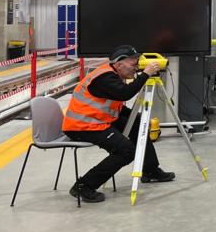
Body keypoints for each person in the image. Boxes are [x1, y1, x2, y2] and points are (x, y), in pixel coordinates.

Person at [62, 45, 175, 203]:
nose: (136, 66)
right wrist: (145, 74)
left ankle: (150, 171)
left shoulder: (114, 74)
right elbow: (124, 94)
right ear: (118, 64)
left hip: (98, 120)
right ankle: (83, 186)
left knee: (137, 123)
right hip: (82, 126)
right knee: (126, 150)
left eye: (137, 62)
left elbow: (117, 106)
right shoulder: (104, 77)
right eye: (133, 62)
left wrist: (139, 117)